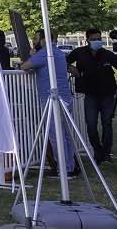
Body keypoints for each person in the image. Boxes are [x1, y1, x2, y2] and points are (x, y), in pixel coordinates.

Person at [21, 33, 78, 178]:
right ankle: (70, 166)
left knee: (55, 134)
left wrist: (31, 55)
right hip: (65, 96)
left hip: (52, 99)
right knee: (65, 133)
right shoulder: (58, 52)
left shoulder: (45, 53)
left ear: (44, 39)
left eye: (35, 39)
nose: (33, 41)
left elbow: (25, 66)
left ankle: (63, 168)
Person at [67, 28, 117, 163]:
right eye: (94, 39)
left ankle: (106, 152)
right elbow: (64, 61)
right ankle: (97, 150)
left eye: (99, 39)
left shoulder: (108, 54)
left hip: (107, 93)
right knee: (91, 125)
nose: (97, 41)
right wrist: (73, 70)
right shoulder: (79, 52)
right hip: (90, 94)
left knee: (107, 123)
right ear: (87, 40)